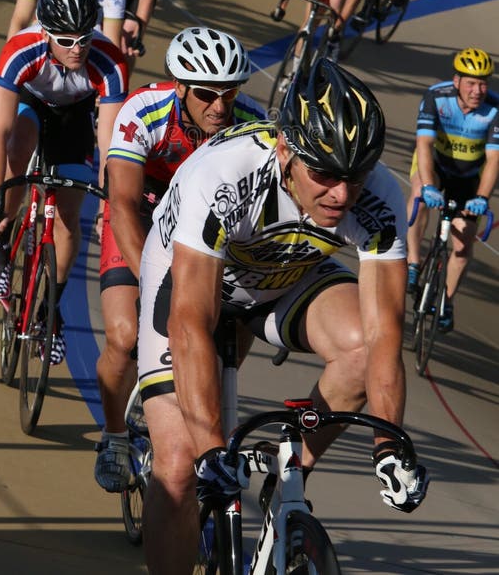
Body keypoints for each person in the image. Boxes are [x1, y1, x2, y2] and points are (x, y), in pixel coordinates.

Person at [137, 58, 429, 575]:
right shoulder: (223, 177)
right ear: (284, 149)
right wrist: (210, 450)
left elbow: (385, 331)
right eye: (323, 174)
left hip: (280, 278)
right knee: (181, 470)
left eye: (354, 177)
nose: (341, 194)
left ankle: (288, 469)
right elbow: (189, 323)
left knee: (362, 345)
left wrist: (390, 444)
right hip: (194, 282)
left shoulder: (378, 196)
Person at [94, 26, 266, 492]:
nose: (219, 107)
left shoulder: (252, 120)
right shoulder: (144, 111)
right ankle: (114, 436)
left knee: (226, 334)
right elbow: (124, 202)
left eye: (229, 94)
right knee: (127, 335)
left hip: (208, 226)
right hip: (146, 212)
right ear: (181, 87)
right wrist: (152, 282)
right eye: (207, 94)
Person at [0, 0, 128, 366]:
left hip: (75, 117)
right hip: (31, 102)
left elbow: (110, 145)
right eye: (66, 40)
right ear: (45, 33)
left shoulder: (109, 62)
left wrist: (106, 208)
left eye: (84, 38)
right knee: (18, 143)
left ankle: (50, 309)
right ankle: (0, 245)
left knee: (67, 220)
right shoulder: (20, 50)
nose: (77, 48)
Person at [406, 47, 499, 333]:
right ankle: (412, 261)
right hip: (435, 165)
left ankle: (446, 299)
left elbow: (495, 159)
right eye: (471, 82)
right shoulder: (437, 96)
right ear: (456, 81)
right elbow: (423, 144)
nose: (478, 90)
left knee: (463, 242)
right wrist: (430, 186)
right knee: (420, 194)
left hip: (468, 176)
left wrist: (482, 198)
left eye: (483, 82)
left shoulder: (495, 110)